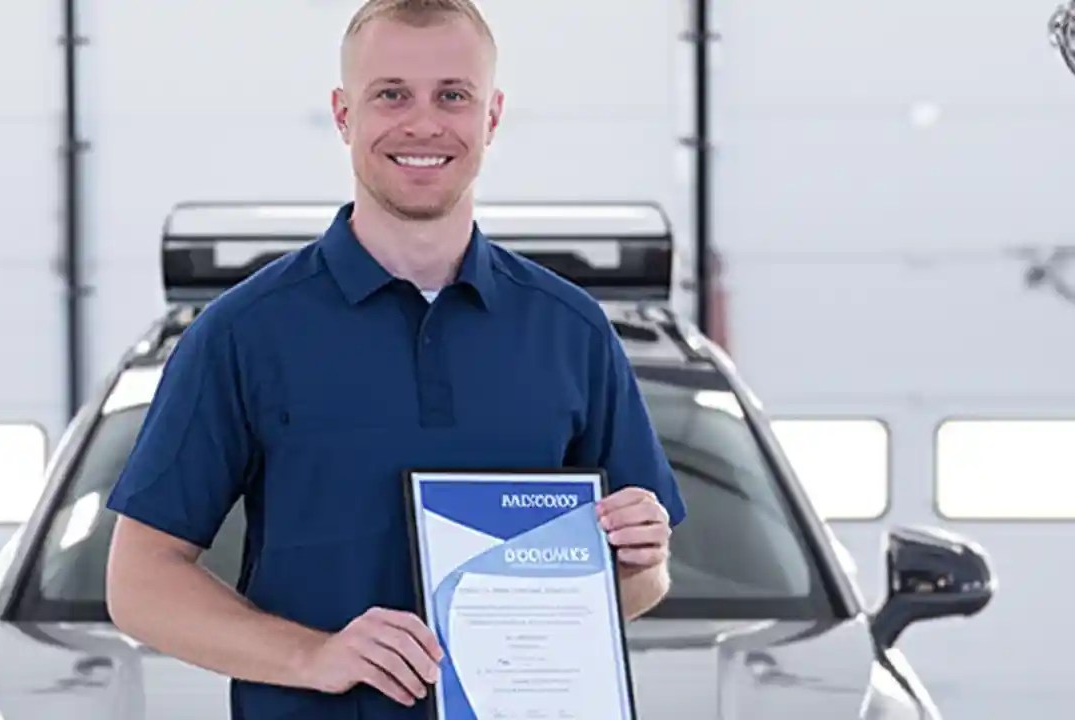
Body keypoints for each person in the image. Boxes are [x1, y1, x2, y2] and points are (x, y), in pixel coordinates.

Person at [103, 1, 687, 718]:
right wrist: (312, 656)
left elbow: (639, 581)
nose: (423, 123)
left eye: (452, 95)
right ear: (344, 114)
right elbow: (139, 582)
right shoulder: (243, 333)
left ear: (492, 116)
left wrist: (640, 558)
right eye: (391, 95)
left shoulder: (571, 330)